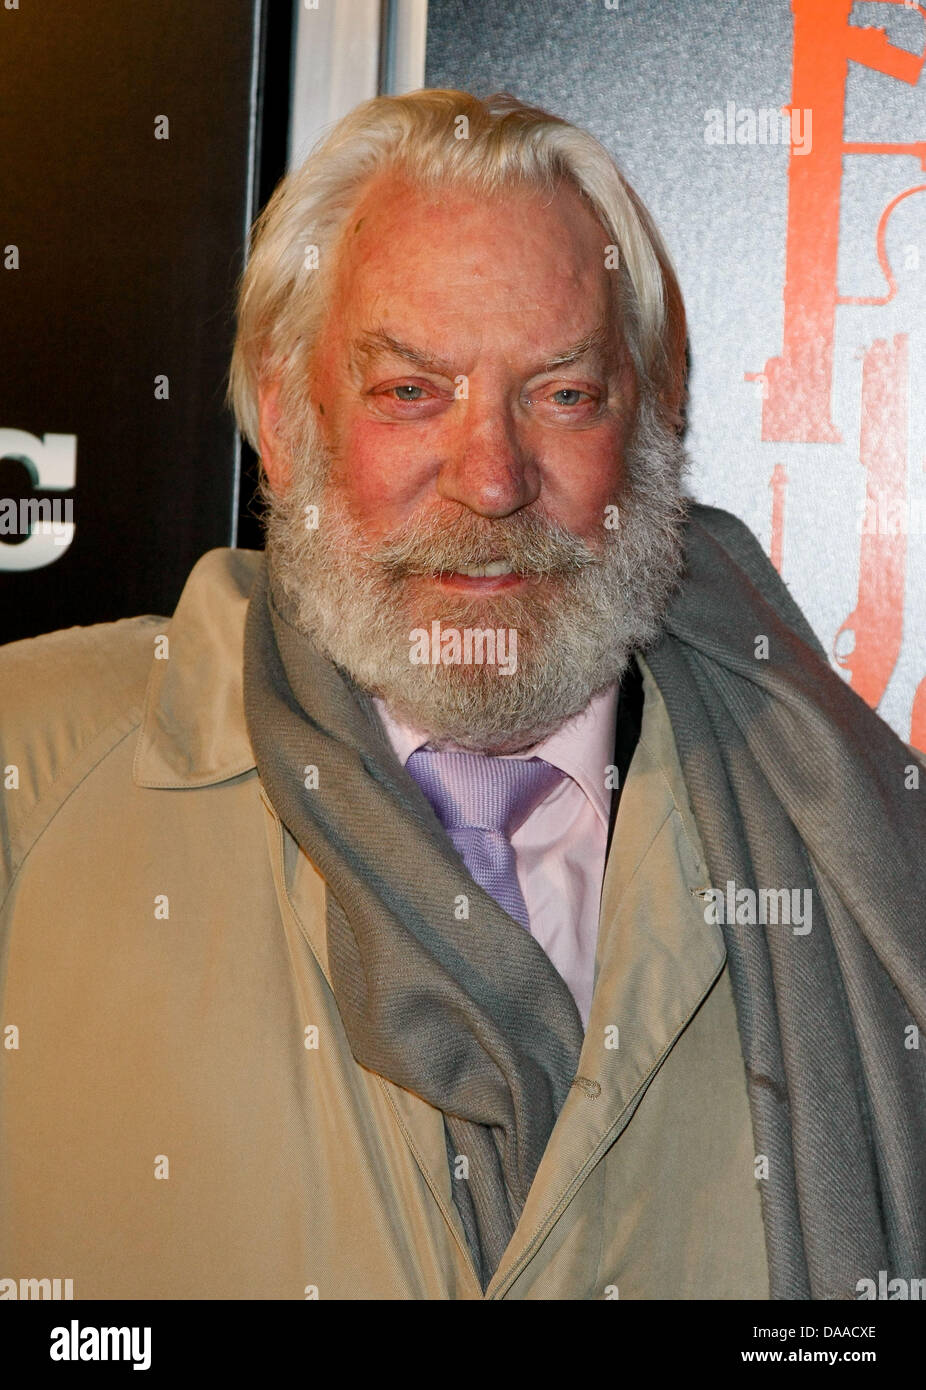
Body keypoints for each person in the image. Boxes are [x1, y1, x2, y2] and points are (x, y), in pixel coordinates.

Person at [1, 89, 924, 1303]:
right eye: (410, 392)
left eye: (562, 393)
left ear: (649, 420)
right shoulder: (33, 778)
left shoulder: (857, 848)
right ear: (285, 420)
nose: (490, 481)